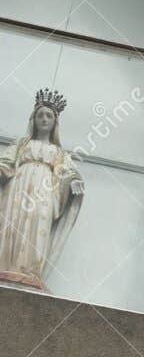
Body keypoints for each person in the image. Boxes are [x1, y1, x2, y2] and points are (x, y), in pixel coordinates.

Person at [0, 89, 84, 291]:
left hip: (45, 192)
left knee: (37, 226)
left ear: (55, 122)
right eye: (40, 115)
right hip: (18, 188)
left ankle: (30, 272)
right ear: (34, 119)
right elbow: (5, 163)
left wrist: (74, 181)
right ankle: (5, 266)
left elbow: (69, 173)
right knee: (12, 223)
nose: (44, 119)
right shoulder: (22, 144)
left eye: (49, 116)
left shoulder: (59, 153)